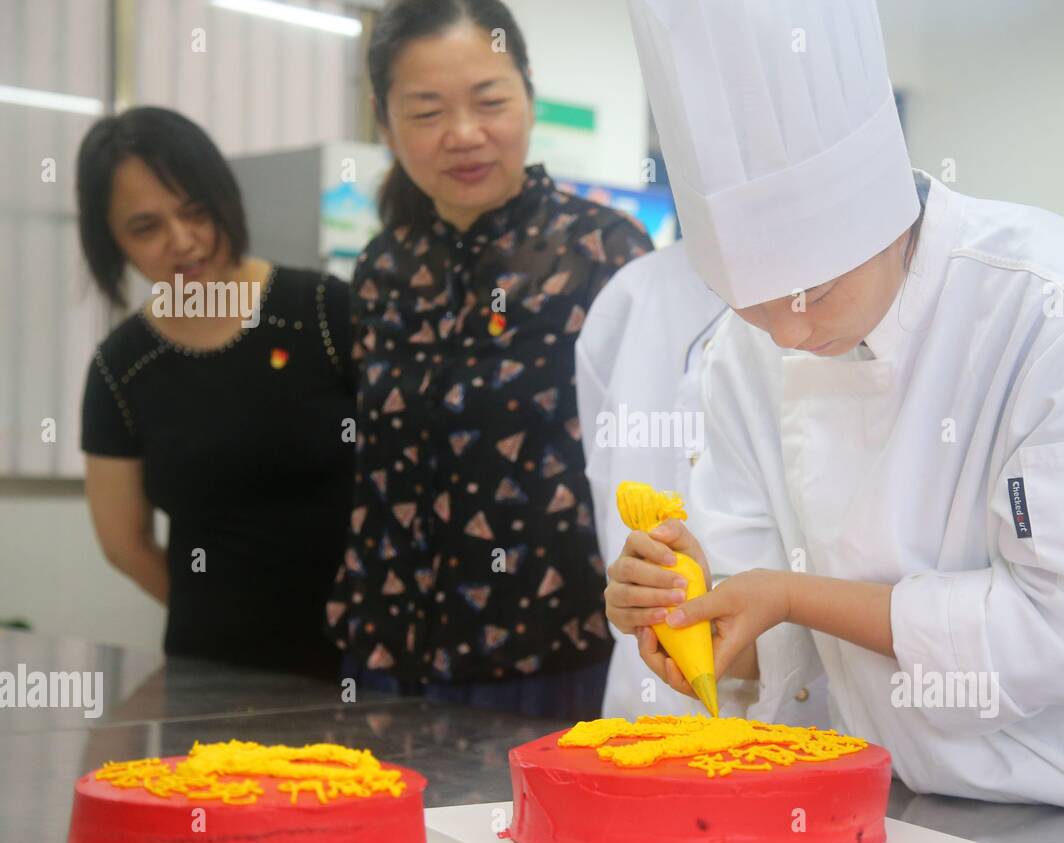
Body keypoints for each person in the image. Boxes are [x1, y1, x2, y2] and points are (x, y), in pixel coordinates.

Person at [604, 0, 1064, 842]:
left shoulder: (1055, 305)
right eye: (746, 298)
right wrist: (697, 616)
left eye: (810, 290)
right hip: (905, 811)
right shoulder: (741, 356)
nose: (787, 331)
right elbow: (773, 649)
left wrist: (787, 594)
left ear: (884, 212)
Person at [328, 0, 653, 719]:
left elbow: (656, 460)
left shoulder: (606, 254)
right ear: (384, 124)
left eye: (489, 101)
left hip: (551, 652)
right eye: (426, 111)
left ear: (529, 97)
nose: (464, 135)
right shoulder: (383, 268)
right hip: (386, 651)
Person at [78, 106, 354, 678]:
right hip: (212, 671)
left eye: (195, 212)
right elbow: (122, 542)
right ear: (112, 240)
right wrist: (221, 614)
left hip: (364, 664)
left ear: (224, 198)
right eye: (146, 227)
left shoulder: (325, 313)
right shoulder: (122, 367)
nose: (183, 242)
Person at [577, 242, 831, 724]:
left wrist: (788, 603)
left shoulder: (851, 314)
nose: (784, 325)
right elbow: (604, 476)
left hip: (855, 725)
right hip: (656, 694)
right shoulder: (635, 295)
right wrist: (638, 590)